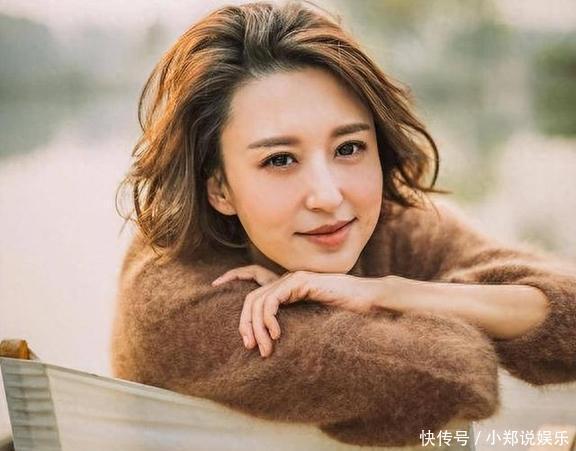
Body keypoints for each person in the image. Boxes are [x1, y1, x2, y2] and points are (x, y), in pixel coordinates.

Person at [110, 0, 576, 447]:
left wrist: (388, 292)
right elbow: (449, 374)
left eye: (348, 148)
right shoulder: (172, 300)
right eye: (279, 159)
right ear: (220, 189)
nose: (329, 196)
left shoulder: (391, 224)